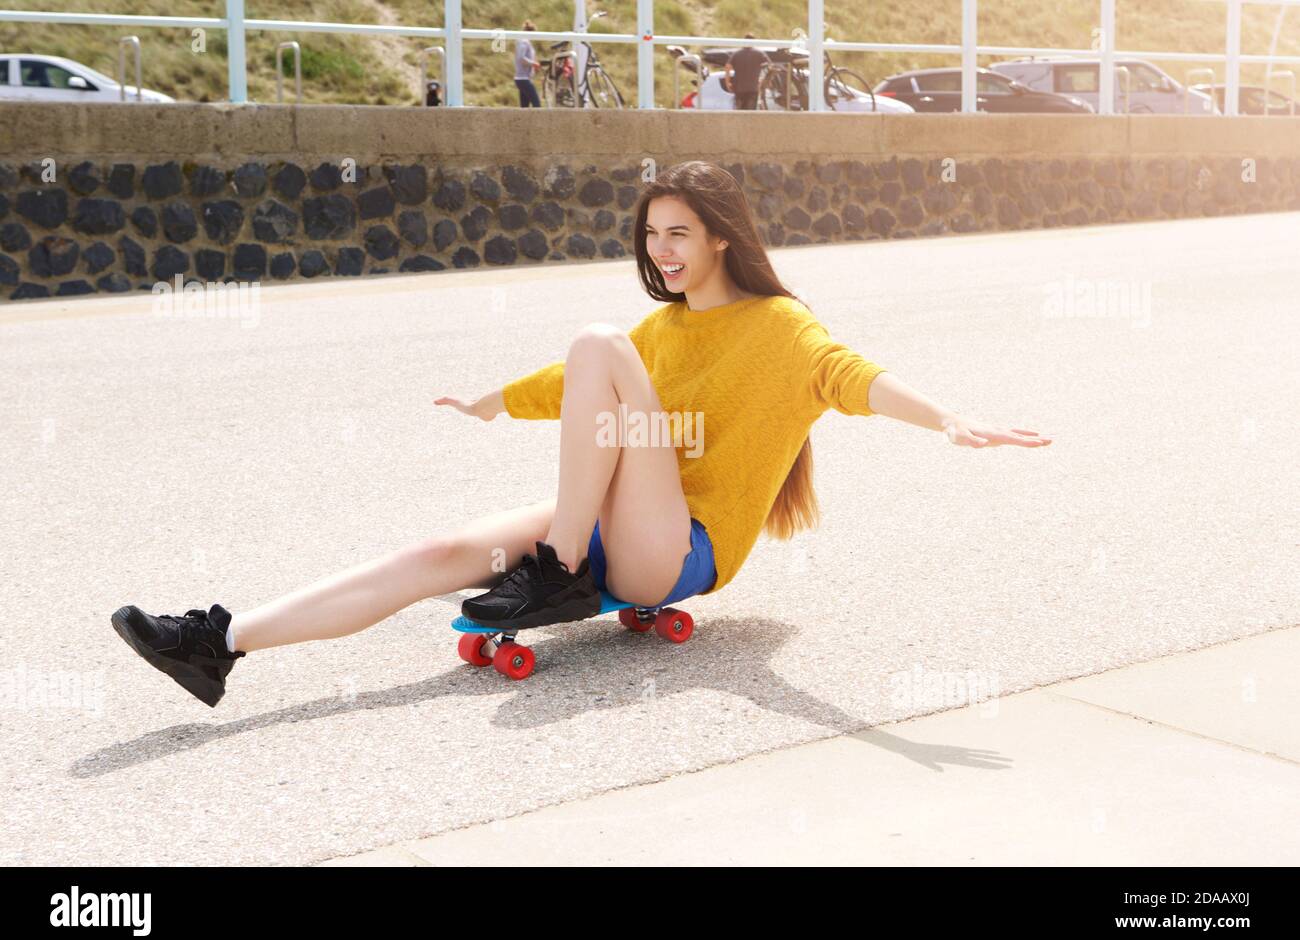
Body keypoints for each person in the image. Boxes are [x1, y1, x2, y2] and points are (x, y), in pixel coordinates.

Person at [109, 160, 1053, 707]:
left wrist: (950, 420)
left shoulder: (781, 329)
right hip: (615, 523)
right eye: (651, 237)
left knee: (601, 341)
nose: (662, 252)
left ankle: (556, 568)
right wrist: (492, 400)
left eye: (679, 234)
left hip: (679, 552)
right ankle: (220, 641)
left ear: (723, 235)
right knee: (441, 548)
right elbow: (579, 382)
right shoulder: (663, 331)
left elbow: (855, 378)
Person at [725, 33, 770, 110]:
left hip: (739, 88)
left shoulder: (737, 54)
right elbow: (769, 66)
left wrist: (727, 82)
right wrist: (763, 81)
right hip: (753, 88)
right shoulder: (759, 54)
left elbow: (727, 67)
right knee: (750, 113)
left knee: (739, 112)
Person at [514, 20, 541, 108]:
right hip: (523, 78)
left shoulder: (523, 41)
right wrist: (534, 64)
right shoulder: (524, 42)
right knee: (537, 104)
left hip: (523, 78)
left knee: (524, 107)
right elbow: (521, 58)